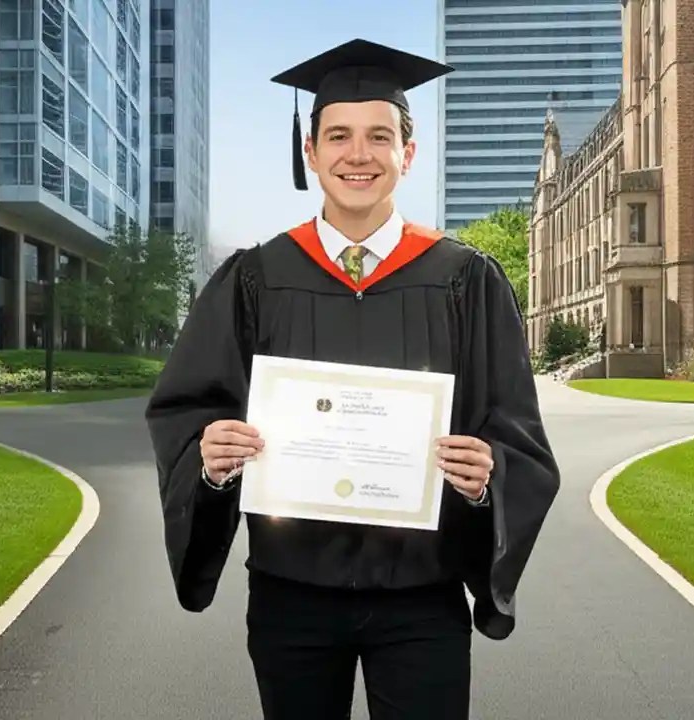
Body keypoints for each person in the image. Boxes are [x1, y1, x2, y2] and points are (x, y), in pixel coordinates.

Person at [145, 38, 561, 720]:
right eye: (338, 135)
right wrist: (211, 461)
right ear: (311, 153)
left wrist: (490, 476)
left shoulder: (465, 280)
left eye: (379, 136)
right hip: (291, 593)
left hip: (422, 596)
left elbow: (518, 436)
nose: (358, 155)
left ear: (408, 153)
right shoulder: (255, 279)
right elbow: (188, 411)